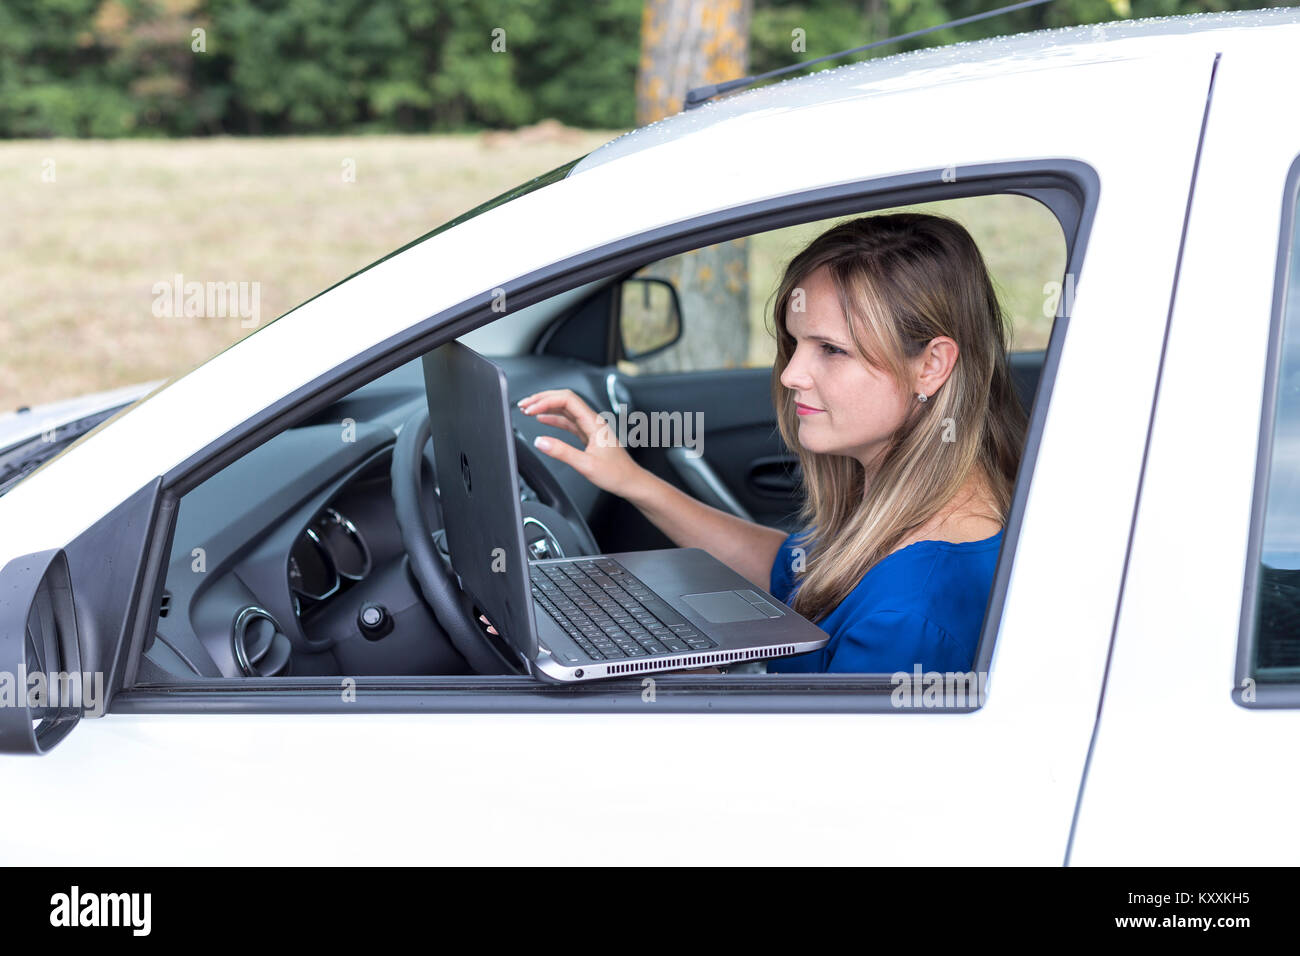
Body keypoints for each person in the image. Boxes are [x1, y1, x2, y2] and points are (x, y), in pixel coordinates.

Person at [500, 212, 1027, 674]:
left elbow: (815, 775)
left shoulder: (908, 619)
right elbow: (793, 570)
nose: (793, 373)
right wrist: (631, 481)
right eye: (796, 343)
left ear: (931, 365)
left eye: (832, 350)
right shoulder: (912, 511)